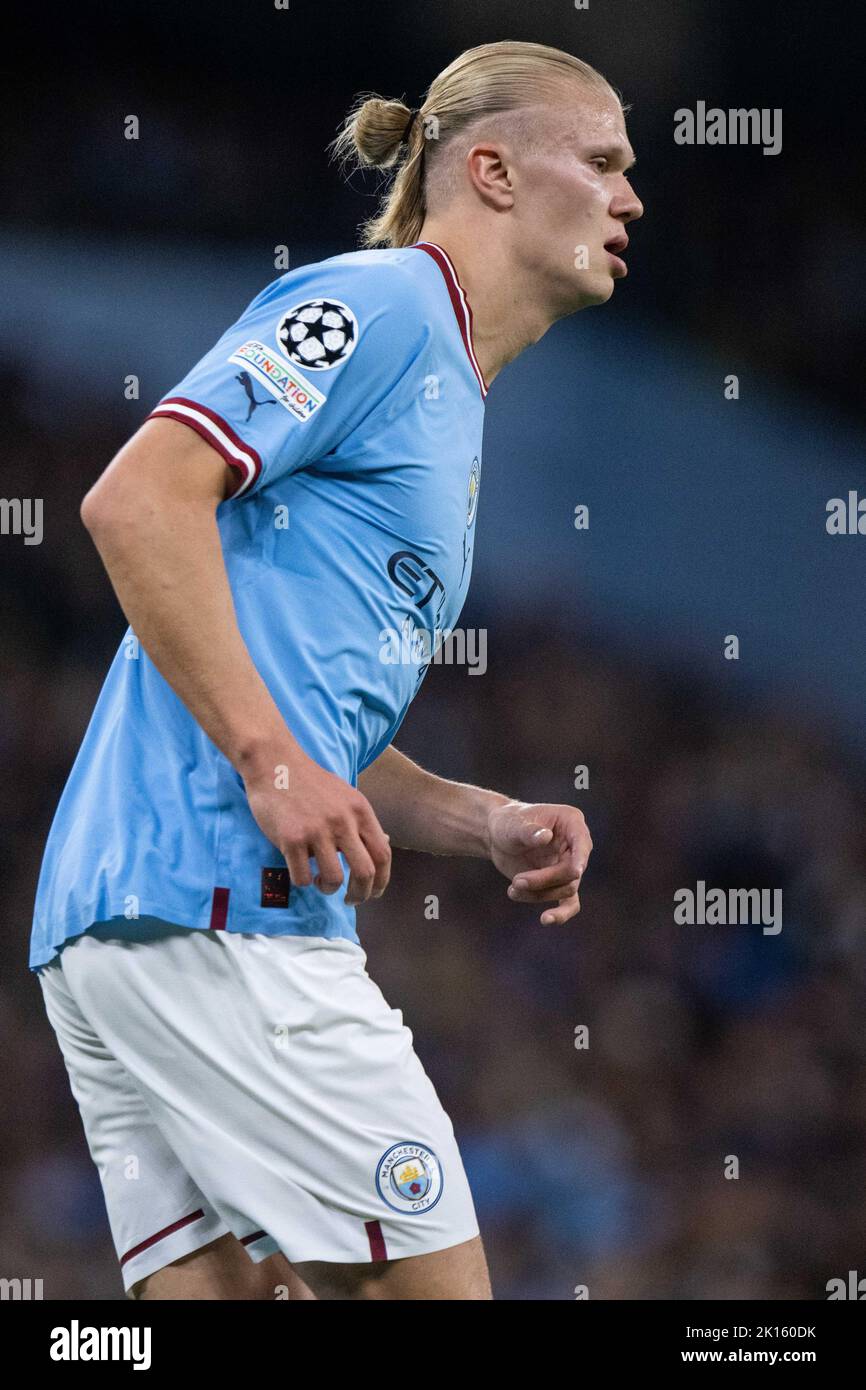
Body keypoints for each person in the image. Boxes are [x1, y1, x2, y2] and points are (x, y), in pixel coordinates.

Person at [31, 39, 641, 1301]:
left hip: (131, 913)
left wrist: (482, 820)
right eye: (601, 161)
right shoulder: (384, 307)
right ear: (491, 170)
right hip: (216, 899)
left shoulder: (451, 393)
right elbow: (138, 500)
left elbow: (319, 721)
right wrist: (265, 765)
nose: (631, 197)